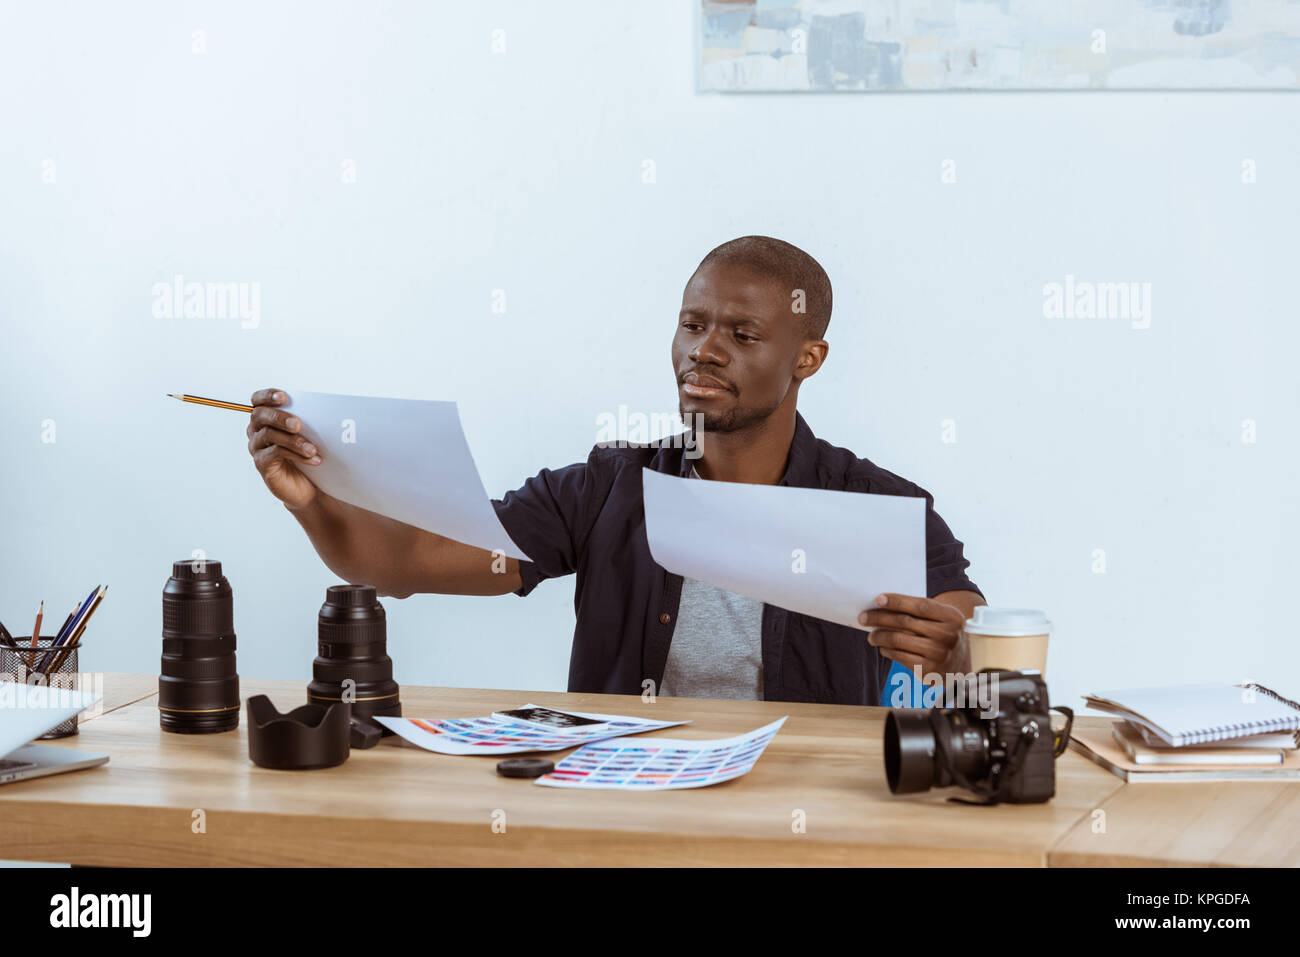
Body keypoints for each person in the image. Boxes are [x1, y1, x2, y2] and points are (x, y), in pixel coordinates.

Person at [245, 236, 985, 705]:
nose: (706, 350)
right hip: (627, 807)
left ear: (807, 358)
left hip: (802, 820)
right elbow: (402, 563)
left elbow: (984, 654)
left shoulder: (879, 504)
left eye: (743, 333)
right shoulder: (605, 488)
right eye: (694, 325)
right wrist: (311, 499)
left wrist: (954, 651)